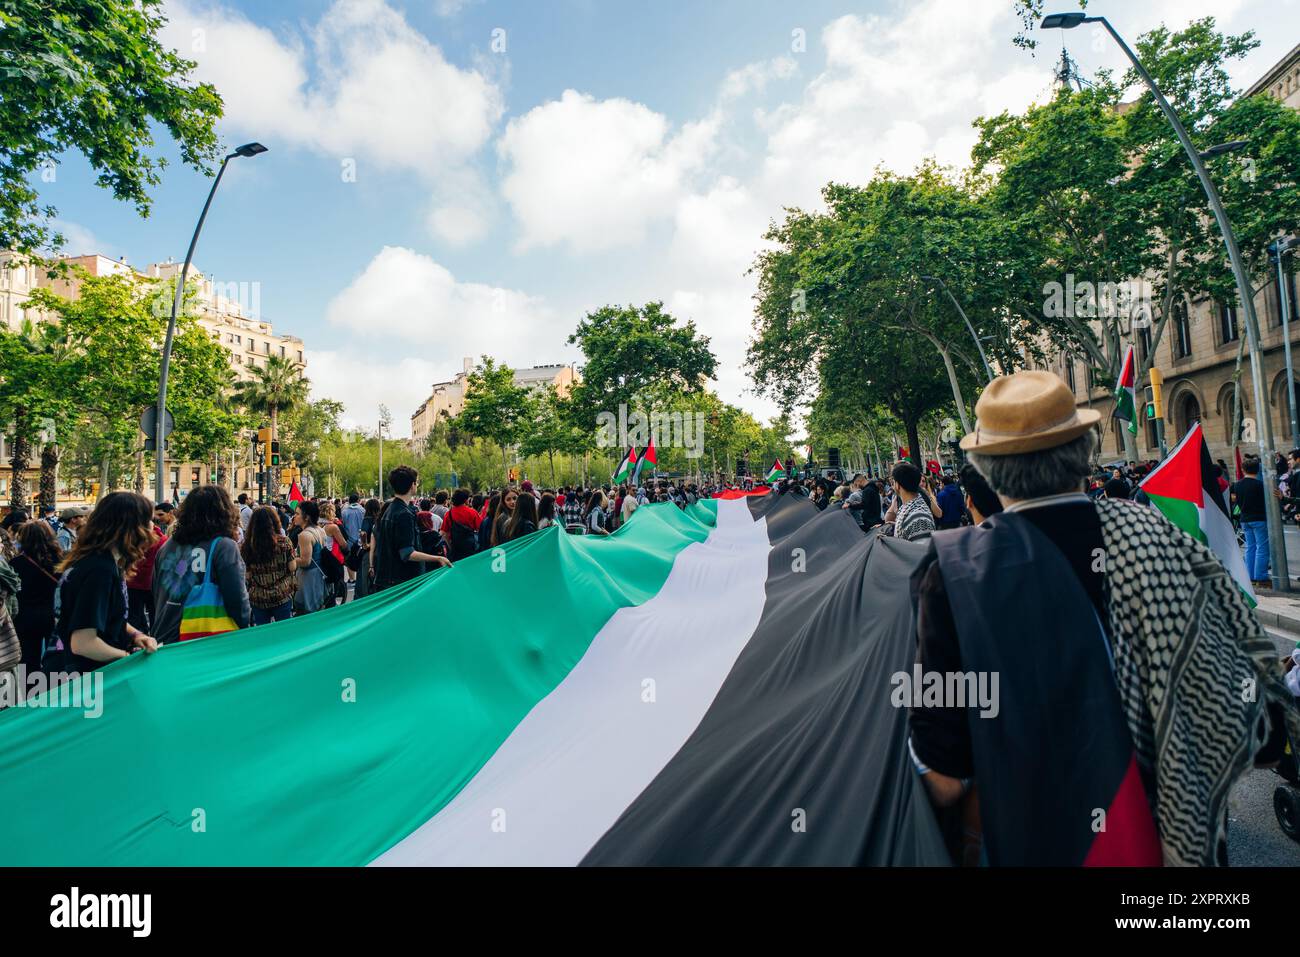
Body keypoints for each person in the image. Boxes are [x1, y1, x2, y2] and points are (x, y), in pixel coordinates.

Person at [909, 370, 1296, 867]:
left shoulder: (951, 572)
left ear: (985, 470)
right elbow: (1255, 729)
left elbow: (942, 777)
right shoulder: (1161, 541)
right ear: (1087, 450)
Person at [54, 492, 160, 673]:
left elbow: (106, 617)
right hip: (90, 677)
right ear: (131, 527)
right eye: (147, 520)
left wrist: (136, 635)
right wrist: (127, 657)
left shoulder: (99, 562)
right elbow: (83, 643)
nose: (152, 526)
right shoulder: (99, 571)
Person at [152, 485, 251, 644]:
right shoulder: (224, 547)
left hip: (164, 637)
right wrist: (244, 624)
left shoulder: (166, 547)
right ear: (225, 512)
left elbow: (156, 594)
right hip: (205, 640)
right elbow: (237, 599)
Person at [372, 466, 450, 592]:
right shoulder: (404, 514)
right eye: (417, 482)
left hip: (388, 579)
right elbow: (407, 553)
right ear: (412, 485)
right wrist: (438, 558)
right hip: (402, 581)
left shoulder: (390, 510)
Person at [12, 520, 61, 670]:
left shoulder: (16, 563)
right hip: (53, 615)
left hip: (24, 617)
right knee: (56, 658)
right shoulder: (61, 561)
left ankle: (30, 691)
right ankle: (54, 687)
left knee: (27, 660)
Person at [242, 506, 297, 625]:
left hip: (258, 597)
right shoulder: (284, 542)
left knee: (263, 632)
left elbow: (247, 575)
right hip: (282, 594)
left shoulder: (247, 545)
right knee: (283, 631)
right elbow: (292, 567)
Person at [1232, 457, 1269, 588]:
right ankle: (1261, 576)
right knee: (1262, 548)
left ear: (1243, 470)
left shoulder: (1237, 485)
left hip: (1244, 519)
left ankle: (1250, 576)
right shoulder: (1260, 485)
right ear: (1257, 470)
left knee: (1250, 547)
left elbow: (1236, 501)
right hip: (1259, 518)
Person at [888, 462, 936, 543]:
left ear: (897, 485)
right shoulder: (909, 507)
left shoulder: (919, 518)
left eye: (893, 481)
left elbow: (921, 551)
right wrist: (892, 526)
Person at [442, 489, 482, 562]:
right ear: (465, 500)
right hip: (470, 549)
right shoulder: (472, 512)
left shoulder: (449, 514)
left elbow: (445, 534)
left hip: (456, 549)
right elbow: (480, 529)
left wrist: (450, 547)